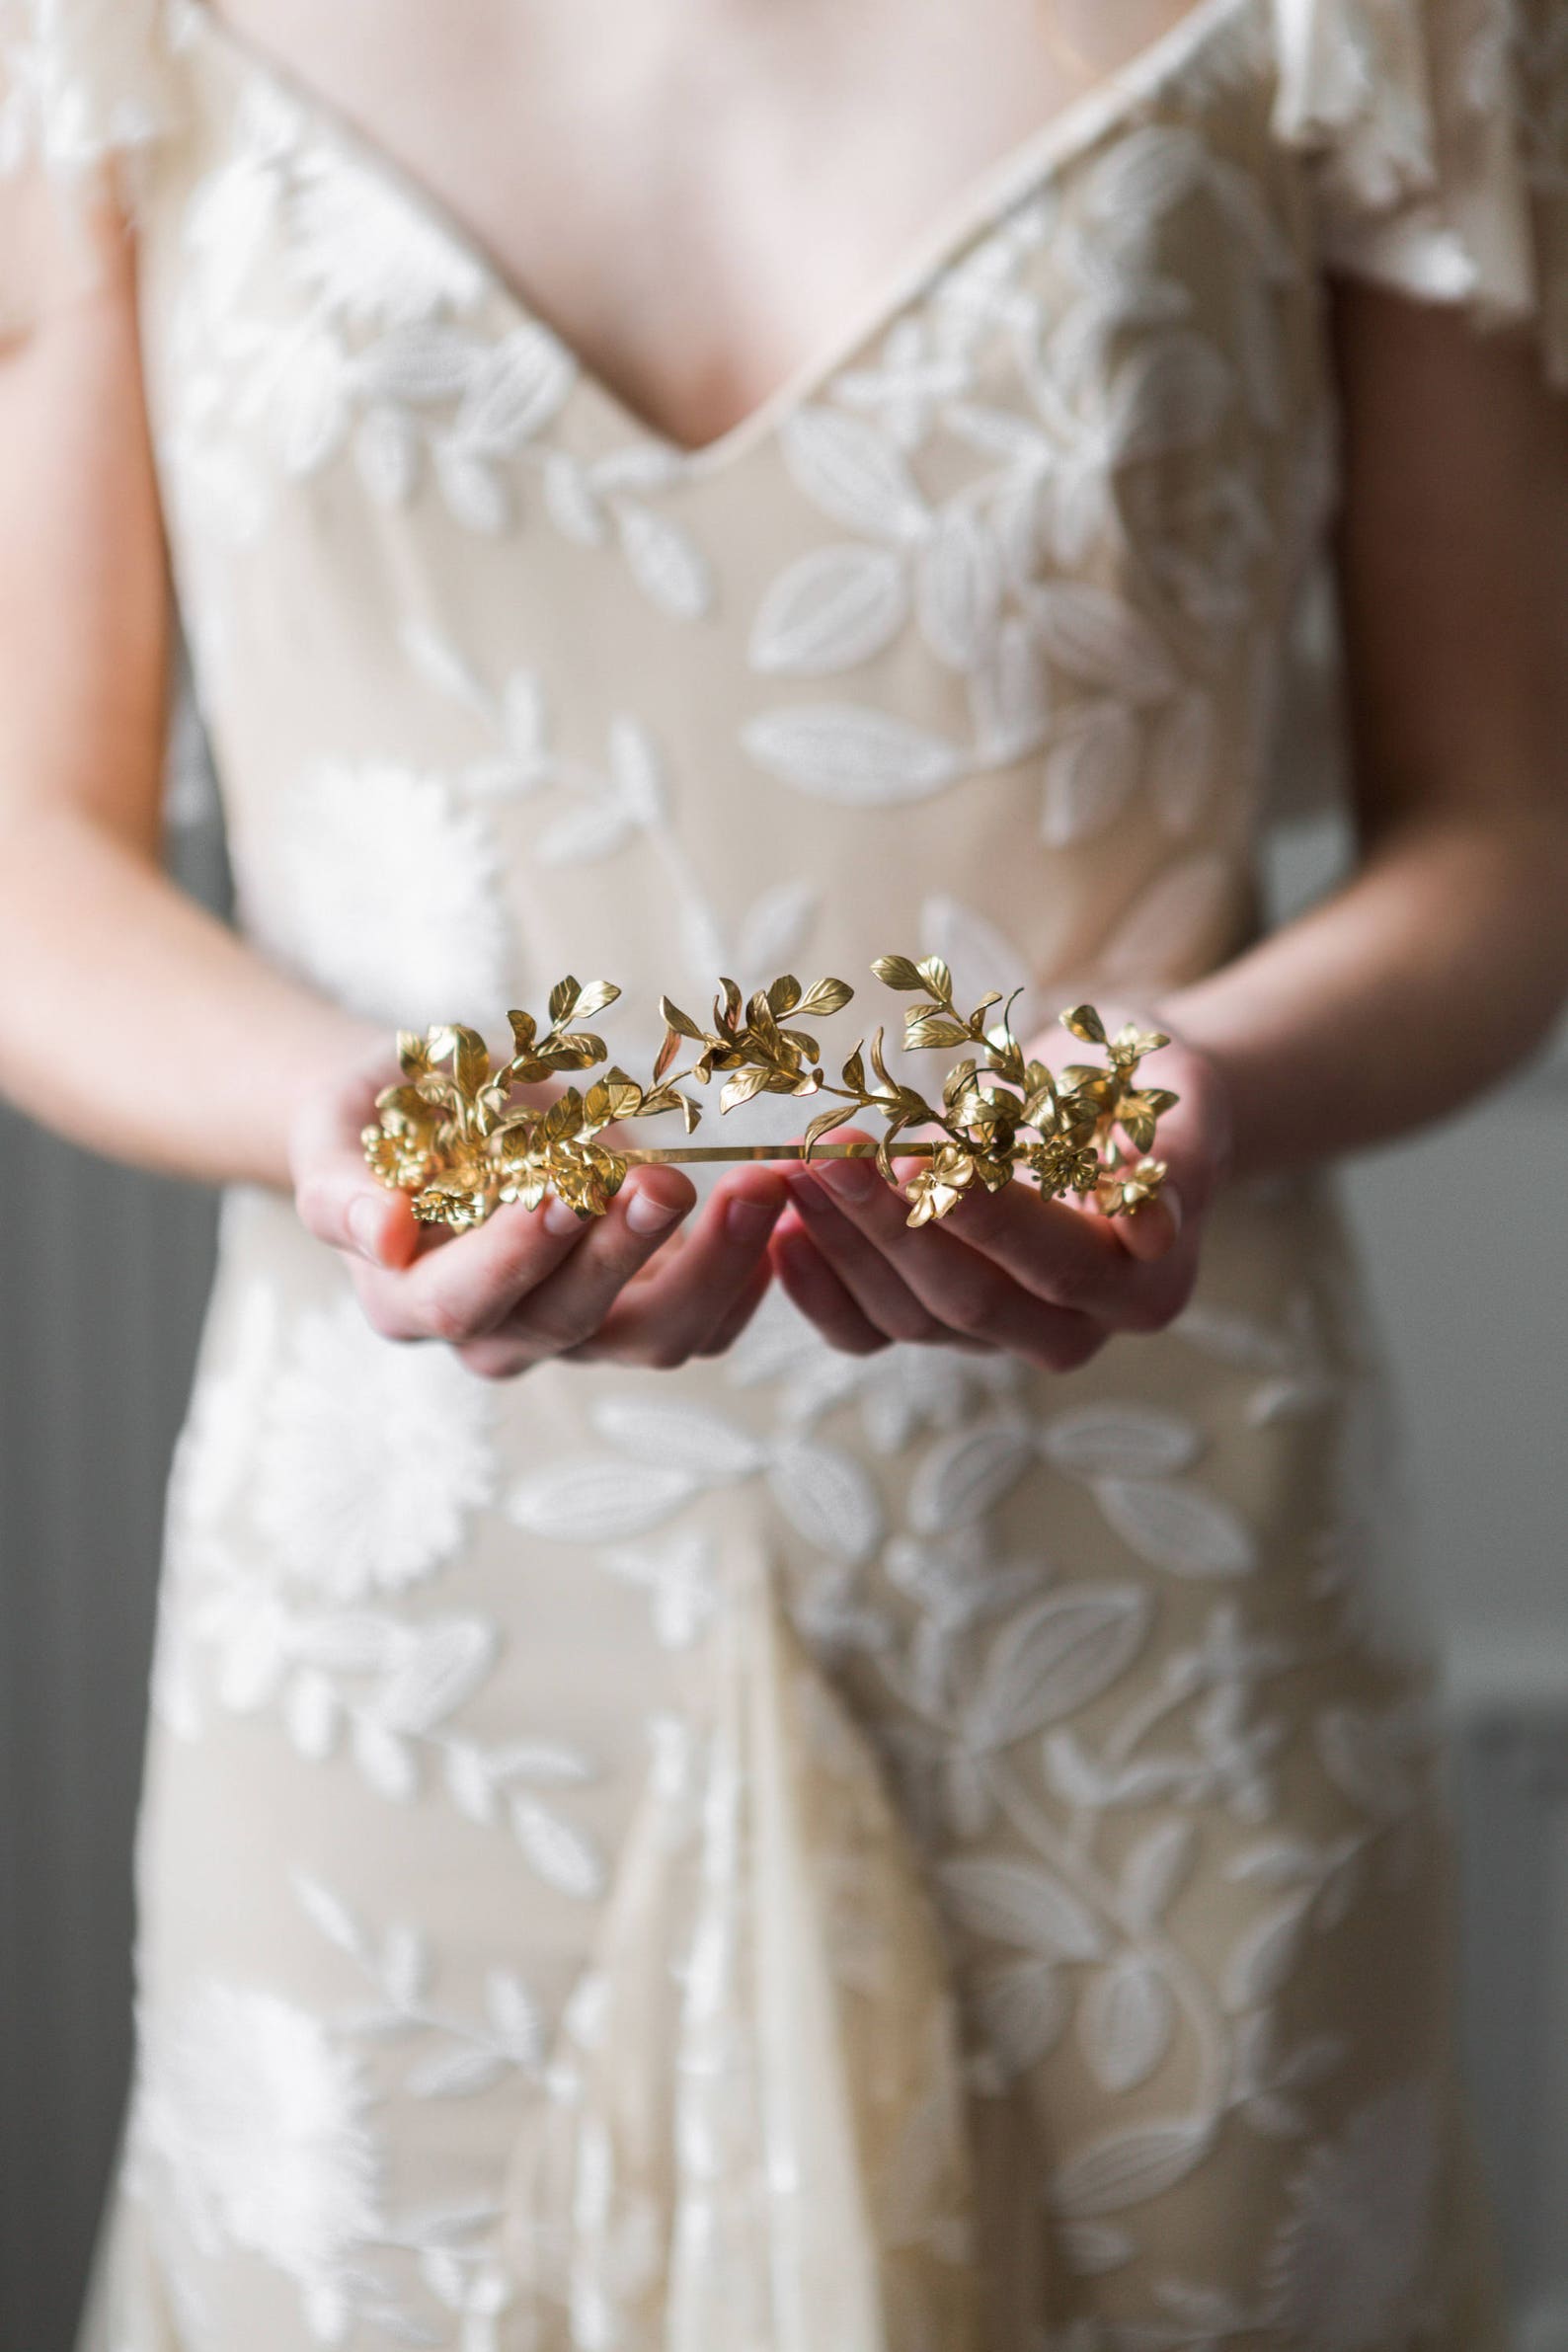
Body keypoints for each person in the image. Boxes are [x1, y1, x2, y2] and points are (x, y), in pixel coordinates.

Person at [1, 0, 1565, 2340]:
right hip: (408, 1634)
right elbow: (27, 848)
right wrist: (331, 1119)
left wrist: (1190, 1082)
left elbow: (1507, 826)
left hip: (1134, 1609)